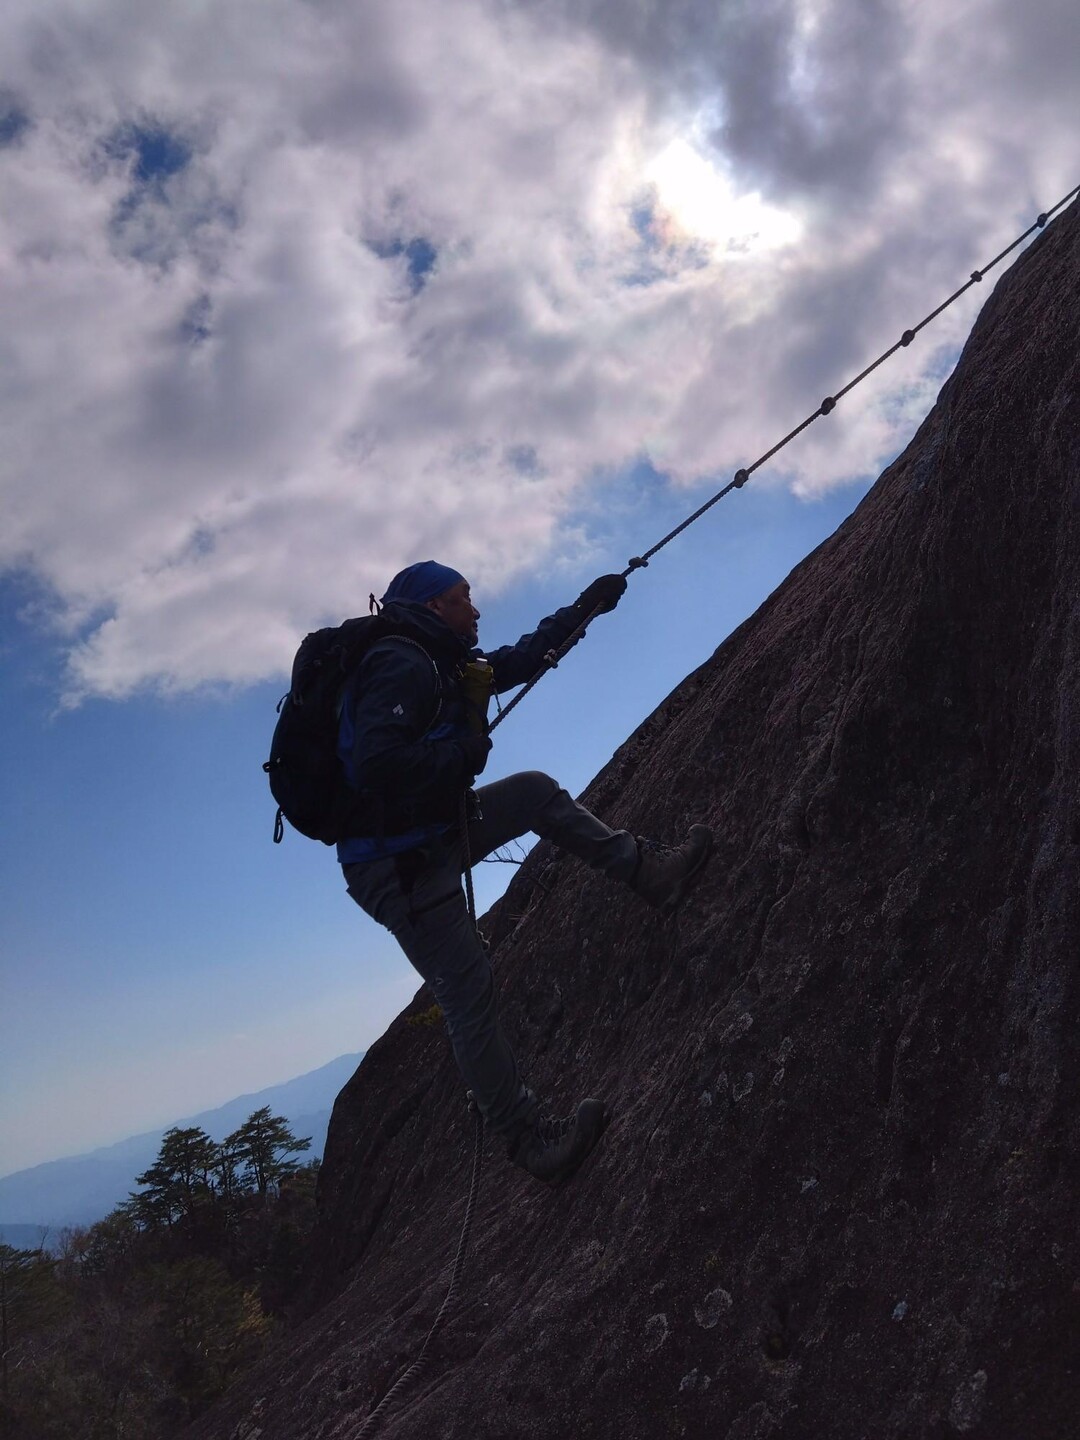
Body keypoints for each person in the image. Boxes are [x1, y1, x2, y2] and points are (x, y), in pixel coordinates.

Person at [339, 560, 712, 1185]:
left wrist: (586, 609)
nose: (476, 609)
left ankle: (652, 874)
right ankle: (527, 1137)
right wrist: (462, 753)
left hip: (428, 838)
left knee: (534, 792)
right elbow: (377, 763)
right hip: (398, 865)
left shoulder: (440, 659)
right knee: (468, 989)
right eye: (464, 597)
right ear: (434, 606)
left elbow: (512, 661)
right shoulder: (402, 663)